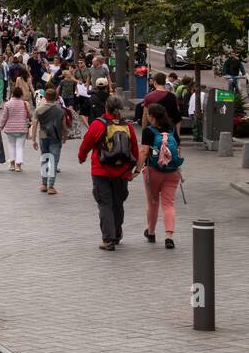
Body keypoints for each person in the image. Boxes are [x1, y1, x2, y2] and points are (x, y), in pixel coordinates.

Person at [77, 95, 140, 251]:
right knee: (118, 204)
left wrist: (81, 157)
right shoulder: (127, 126)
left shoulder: (98, 124)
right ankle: (117, 233)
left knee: (105, 204)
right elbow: (134, 150)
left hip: (101, 171)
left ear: (106, 107)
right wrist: (131, 170)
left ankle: (108, 239)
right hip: (122, 172)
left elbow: (87, 143)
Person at [139, 104, 182, 250]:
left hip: (153, 171)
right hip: (172, 172)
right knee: (168, 204)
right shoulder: (172, 131)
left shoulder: (148, 132)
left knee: (152, 202)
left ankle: (151, 232)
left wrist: (137, 170)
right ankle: (169, 236)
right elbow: (177, 149)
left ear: (152, 116)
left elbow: (144, 152)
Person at [30, 87, 68, 195]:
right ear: (56, 97)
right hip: (56, 135)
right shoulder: (60, 111)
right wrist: (65, 136)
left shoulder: (39, 109)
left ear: (45, 97)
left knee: (45, 158)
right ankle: (51, 186)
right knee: (54, 160)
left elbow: (35, 125)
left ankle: (43, 183)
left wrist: (33, 140)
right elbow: (64, 126)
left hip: (43, 134)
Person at [0, 85, 31, 172]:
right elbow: (30, 116)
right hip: (22, 128)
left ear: (12, 94)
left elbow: (4, 117)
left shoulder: (7, 104)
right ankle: (18, 165)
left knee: (11, 145)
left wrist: (0, 127)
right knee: (19, 147)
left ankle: (12, 164)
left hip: (10, 129)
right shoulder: (25, 104)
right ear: (21, 94)